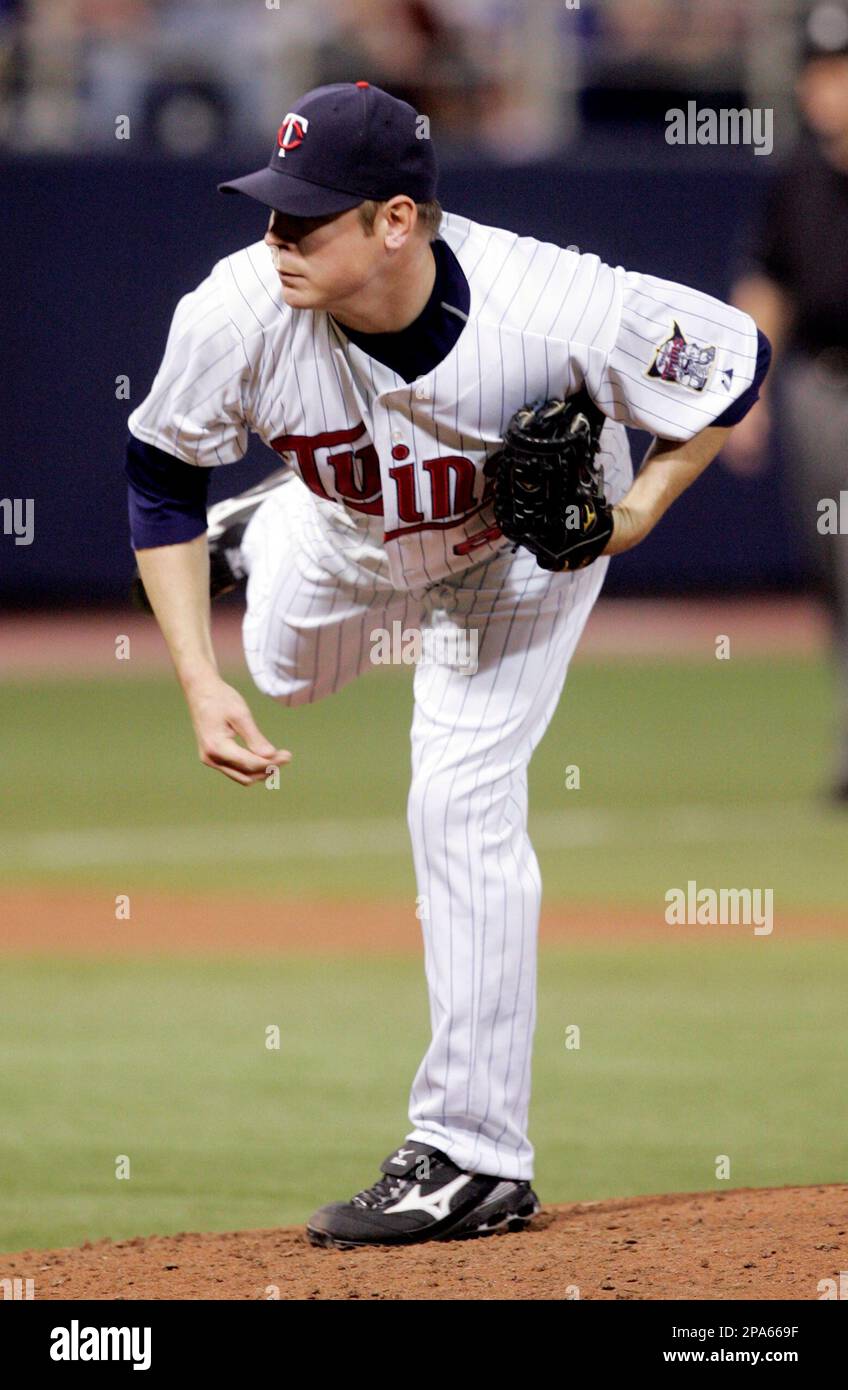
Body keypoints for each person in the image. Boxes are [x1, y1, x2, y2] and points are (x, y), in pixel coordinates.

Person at [127, 81, 769, 1249]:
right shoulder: (234, 312)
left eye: (301, 218)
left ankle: (470, 1154)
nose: (273, 239)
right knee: (285, 672)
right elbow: (161, 476)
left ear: (394, 221)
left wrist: (629, 515)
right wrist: (195, 680)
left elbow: (730, 362)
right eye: (267, 211)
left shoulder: (556, 305)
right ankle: (262, 531)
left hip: (510, 557)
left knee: (458, 797)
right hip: (341, 531)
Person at [726, 2, 848, 800]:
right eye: (818, 74)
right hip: (820, 391)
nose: (828, 89)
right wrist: (745, 388)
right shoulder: (800, 174)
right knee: (836, 574)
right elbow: (768, 280)